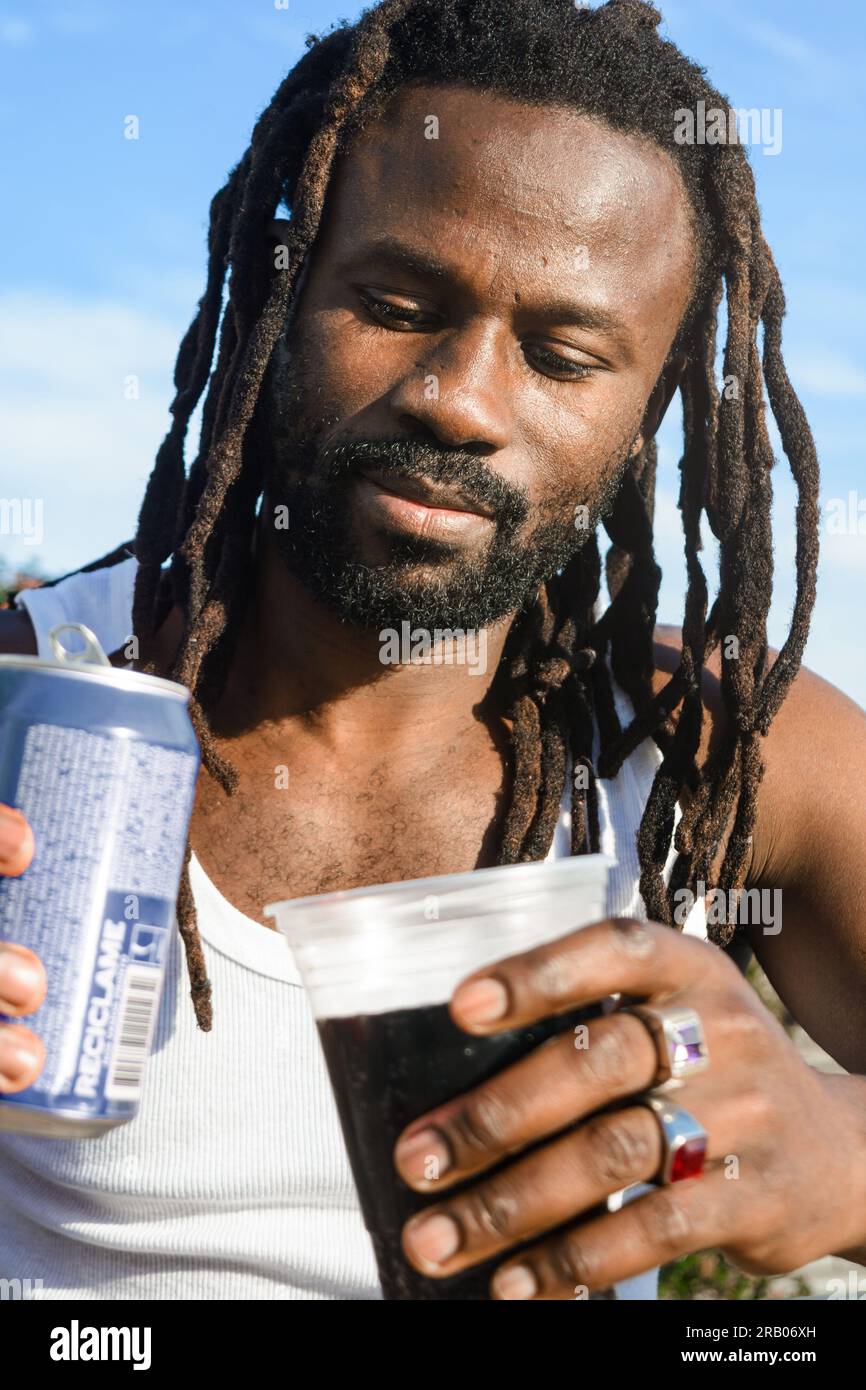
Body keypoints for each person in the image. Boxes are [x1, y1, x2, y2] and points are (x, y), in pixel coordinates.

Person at [1, 0, 865, 1301]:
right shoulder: (42, 693)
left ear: (648, 410)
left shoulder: (722, 748)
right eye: (397, 304)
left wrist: (838, 1151)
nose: (458, 398)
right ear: (281, 291)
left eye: (563, 357)